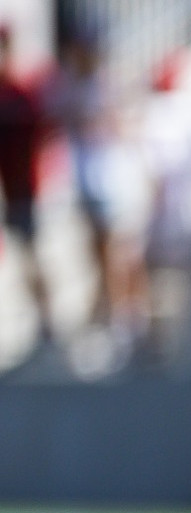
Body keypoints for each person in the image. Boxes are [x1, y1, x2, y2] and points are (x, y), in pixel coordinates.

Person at [0, 26, 51, 351]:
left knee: (30, 254)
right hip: (6, 188)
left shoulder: (22, 90)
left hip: (23, 189)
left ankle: (46, 321)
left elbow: (43, 134)